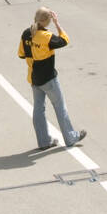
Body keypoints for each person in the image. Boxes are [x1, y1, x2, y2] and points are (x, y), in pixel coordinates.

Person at [18, 8, 86, 150]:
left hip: (33, 77)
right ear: (47, 21)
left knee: (38, 109)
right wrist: (57, 23)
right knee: (60, 107)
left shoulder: (26, 33)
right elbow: (65, 40)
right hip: (48, 78)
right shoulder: (46, 36)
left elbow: (21, 54)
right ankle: (71, 137)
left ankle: (43, 142)